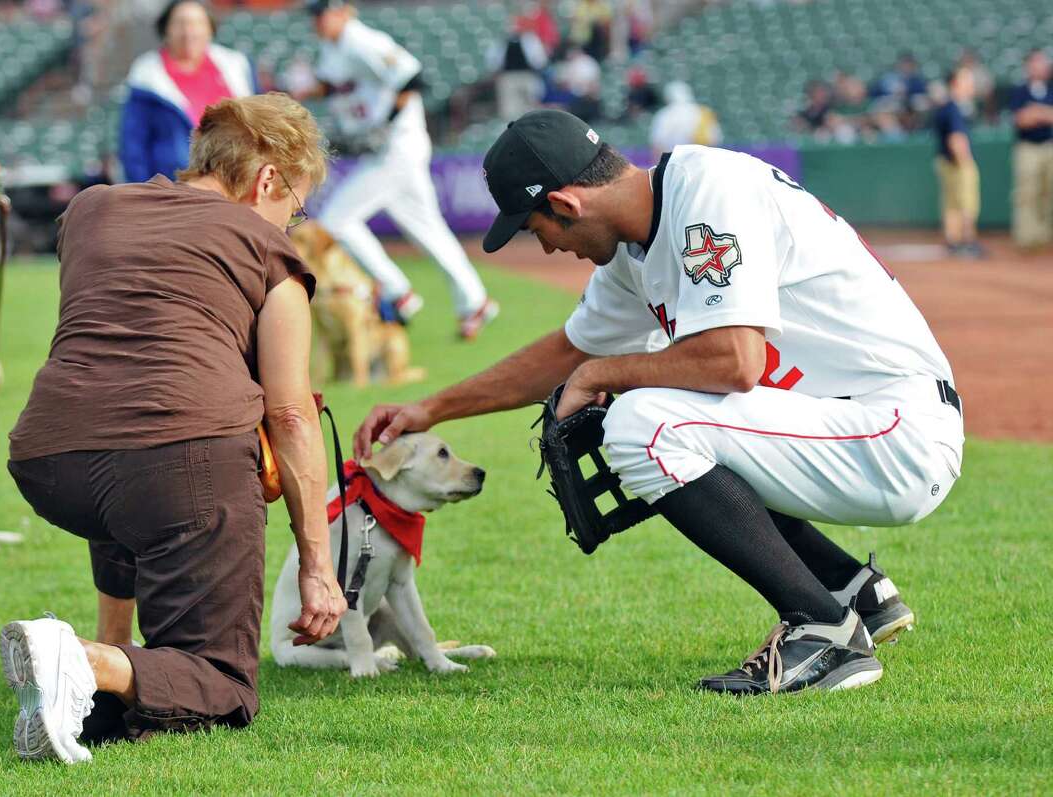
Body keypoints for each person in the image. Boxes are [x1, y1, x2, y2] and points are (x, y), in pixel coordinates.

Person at [356, 110, 963, 695]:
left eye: (537, 230)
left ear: (566, 204)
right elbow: (568, 352)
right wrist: (430, 410)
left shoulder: (710, 191)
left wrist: (606, 374)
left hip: (895, 430)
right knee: (668, 414)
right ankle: (851, 589)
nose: (545, 249)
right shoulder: (635, 247)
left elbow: (735, 362)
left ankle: (822, 628)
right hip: (845, 422)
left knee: (642, 423)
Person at [0, 95, 347, 763]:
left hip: (52, 459)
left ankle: (100, 674)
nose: (290, 223)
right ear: (267, 180)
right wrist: (318, 569)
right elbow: (290, 413)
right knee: (223, 684)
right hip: (181, 459)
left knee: (132, 466)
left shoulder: (92, 211)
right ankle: (83, 659)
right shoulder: (266, 249)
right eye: (295, 207)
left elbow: (121, 375)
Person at [301, 0, 497, 339]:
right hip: (387, 149)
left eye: (323, 13)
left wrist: (387, 122)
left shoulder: (362, 40)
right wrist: (302, 90)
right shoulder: (333, 48)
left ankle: (396, 292)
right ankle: (474, 301)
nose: (318, 20)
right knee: (428, 228)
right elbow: (335, 84)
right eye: (315, 15)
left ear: (343, 11)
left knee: (336, 220)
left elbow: (412, 78)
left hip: (396, 147)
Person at [118, 0, 255, 183]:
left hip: (236, 179)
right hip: (177, 185)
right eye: (180, 23)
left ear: (210, 28)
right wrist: (145, 192)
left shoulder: (236, 66)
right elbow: (134, 146)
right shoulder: (147, 76)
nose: (189, 32)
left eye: (198, 23)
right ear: (166, 29)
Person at [933, 67, 983, 259]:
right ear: (955, 83)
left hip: (945, 162)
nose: (971, 85)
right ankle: (968, 241)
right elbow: (956, 139)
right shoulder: (954, 107)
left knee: (951, 204)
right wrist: (965, 163)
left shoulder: (948, 106)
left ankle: (953, 241)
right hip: (957, 162)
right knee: (967, 202)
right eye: (966, 81)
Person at [1010, 48, 1053, 251]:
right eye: (1035, 62)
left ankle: (1044, 236)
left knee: (1047, 193)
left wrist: (1036, 112)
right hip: (1027, 148)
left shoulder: (1050, 89)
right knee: (1027, 194)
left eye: (1042, 62)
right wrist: (1043, 113)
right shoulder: (1020, 91)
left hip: (1049, 147)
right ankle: (1027, 237)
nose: (1039, 66)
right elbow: (1021, 120)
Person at [648, 81, 721, 158]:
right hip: (698, 159)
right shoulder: (703, 112)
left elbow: (657, 144)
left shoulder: (663, 115)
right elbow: (714, 139)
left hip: (672, 159)